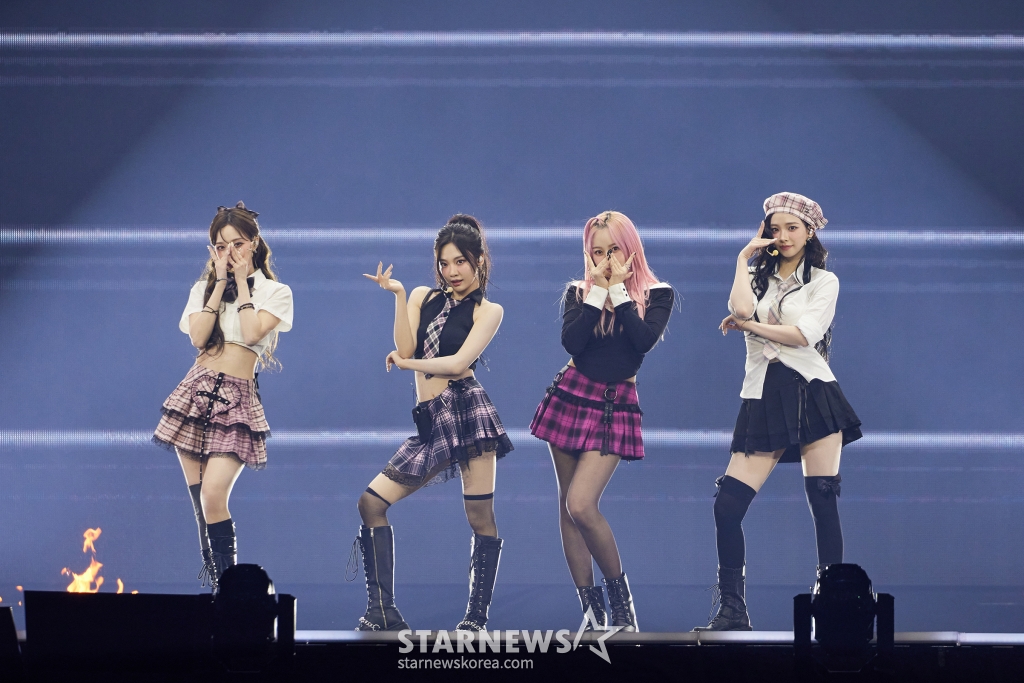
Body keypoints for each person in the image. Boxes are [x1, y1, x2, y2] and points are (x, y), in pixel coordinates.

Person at [694, 192, 862, 631]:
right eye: (776, 228)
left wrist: (749, 327)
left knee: (823, 502)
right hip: (762, 394)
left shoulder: (824, 281)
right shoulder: (755, 276)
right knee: (727, 506)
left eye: (793, 228)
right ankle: (733, 610)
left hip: (812, 391)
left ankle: (834, 609)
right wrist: (742, 259)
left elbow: (804, 334)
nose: (783, 236)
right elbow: (738, 308)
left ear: (810, 232)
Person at [352, 214, 513, 632]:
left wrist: (408, 364)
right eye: (444, 263)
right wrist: (398, 294)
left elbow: (458, 364)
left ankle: (475, 619)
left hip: (467, 413)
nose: (452, 271)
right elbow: (405, 346)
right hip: (430, 419)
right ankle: (382, 612)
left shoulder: (488, 310)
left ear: (478, 260)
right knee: (371, 503)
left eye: (460, 261)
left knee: (479, 517)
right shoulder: (423, 296)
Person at [530, 211, 673, 632]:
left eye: (614, 250)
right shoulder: (578, 293)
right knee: (567, 506)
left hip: (614, 402)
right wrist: (597, 293)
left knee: (581, 504)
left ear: (631, 250)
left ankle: (622, 608)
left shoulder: (658, 293)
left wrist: (619, 292)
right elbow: (572, 343)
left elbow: (641, 343)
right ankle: (592, 616)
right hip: (571, 395)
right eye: (597, 252)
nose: (606, 259)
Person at [153, 202, 293, 593]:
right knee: (201, 502)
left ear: (254, 243)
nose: (229, 252)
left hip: (237, 399)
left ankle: (231, 593)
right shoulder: (202, 289)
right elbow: (199, 338)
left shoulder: (276, 292)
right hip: (196, 392)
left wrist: (244, 282)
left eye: (237, 244)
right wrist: (218, 284)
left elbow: (251, 333)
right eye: (220, 246)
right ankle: (219, 592)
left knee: (214, 493)